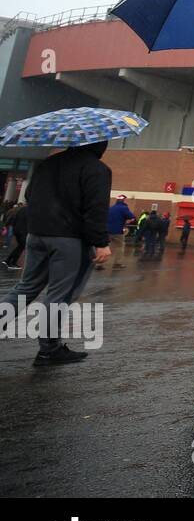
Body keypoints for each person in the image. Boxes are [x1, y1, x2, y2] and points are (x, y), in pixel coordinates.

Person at [0, 143, 112, 364]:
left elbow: (31, 194)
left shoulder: (48, 163)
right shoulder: (97, 169)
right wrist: (100, 242)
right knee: (59, 295)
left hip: (37, 234)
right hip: (69, 240)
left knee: (26, 287)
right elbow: (96, 208)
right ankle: (49, 349)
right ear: (100, 144)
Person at [1, 202, 28, 270]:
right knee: (21, 247)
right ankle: (12, 262)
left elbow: (14, 218)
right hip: (23, 231)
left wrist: (11, 227)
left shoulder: (21, 209)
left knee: (19, 247)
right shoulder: (29, 210)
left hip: (17, 230)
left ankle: (8, 260)